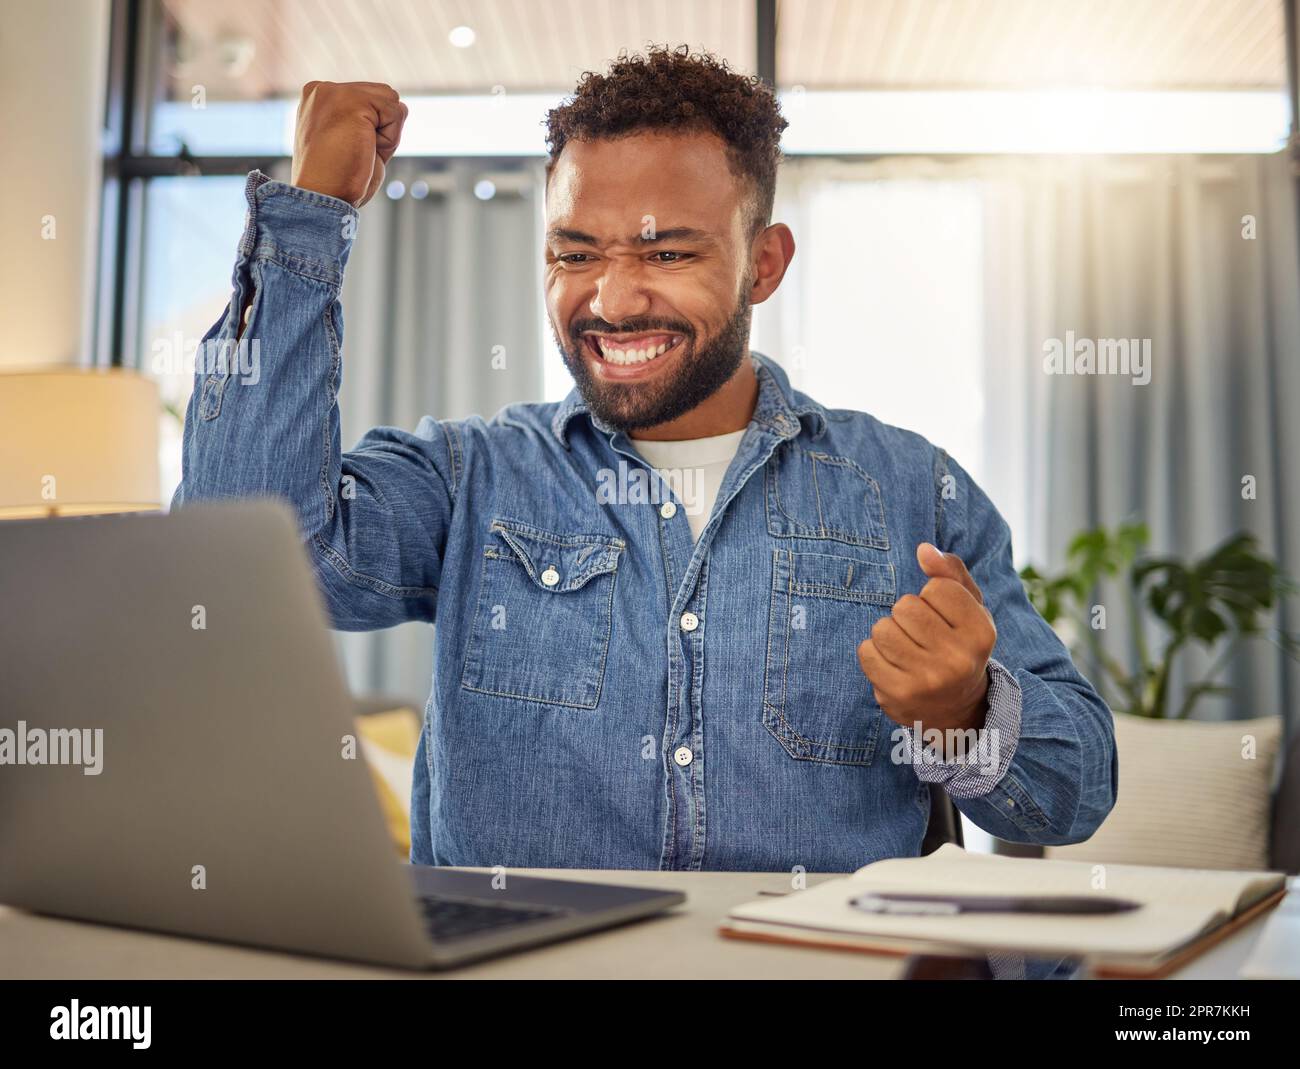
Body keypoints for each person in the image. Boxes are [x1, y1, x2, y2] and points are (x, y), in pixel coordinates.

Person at [175, 45, 1116, 871]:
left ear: (765, 263)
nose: (613, 301)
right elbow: (239, 557)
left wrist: (963, 714)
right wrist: (308, 215)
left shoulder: (914, 491)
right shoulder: (470, 480)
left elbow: (1076, 791)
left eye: (667, 257)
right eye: (574, 252)